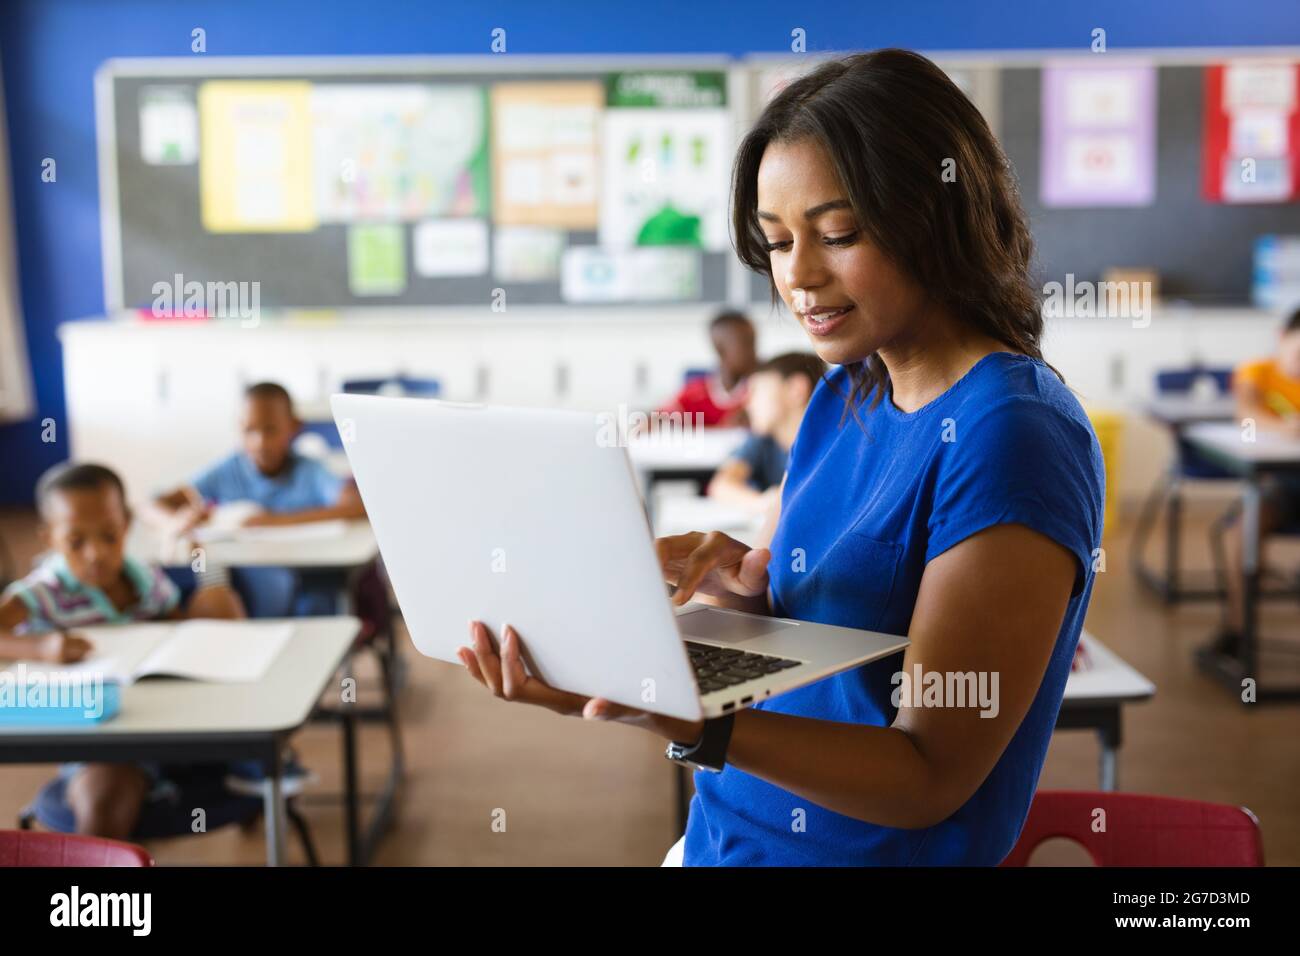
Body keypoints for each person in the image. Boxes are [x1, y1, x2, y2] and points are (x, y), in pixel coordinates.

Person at [455, 49, 1103, 866]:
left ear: (937, 215)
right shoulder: (848, 393)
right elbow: (827, 635)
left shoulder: (1013, 434)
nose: (797, 275)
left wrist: (687, 715)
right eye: (775, 241)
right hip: (725, 837)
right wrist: (733, 597)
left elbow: (929, 776)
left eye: (838, 234)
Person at [0, 463, 244, 838]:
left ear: (127, 526)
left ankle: (248, 755)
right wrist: (41, 646)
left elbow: (178, 629)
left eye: (109, 537)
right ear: (49, 538)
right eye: (76, 542)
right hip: (103, 740)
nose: (96, 553)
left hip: (174, 722)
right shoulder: (44, 591)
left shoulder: (144, 578)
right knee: (106, 797)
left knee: (216, 600)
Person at [150, 381, 365, 617]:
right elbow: (150, 504)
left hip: (308, 576)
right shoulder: (229, 469)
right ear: (238, 428)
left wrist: (273, 521)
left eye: (270, 430)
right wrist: (176, 521)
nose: (259, 442)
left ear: (294, 427)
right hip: (248, 580)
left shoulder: (309, 471)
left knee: (318, 603)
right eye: (249, 430)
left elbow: (357, 506)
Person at [1214, 307, 1300, 656]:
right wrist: (1287, 428)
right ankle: (1239, 630)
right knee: (1243, 532)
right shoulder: (1257, 372)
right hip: (1281, 487)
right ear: (1282, 339)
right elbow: (1245, 412)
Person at [708, 352, 825, 513]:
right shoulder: (763, 440)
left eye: (756, 391)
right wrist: (763, 503)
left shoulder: (832, 444)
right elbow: (721, 485)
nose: (747, 403)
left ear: (796, 389)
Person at [657, 310, 758, 427]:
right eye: (745, 344)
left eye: (753, 342)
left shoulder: (758, 392)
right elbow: (660, 417)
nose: (753, 351)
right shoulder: (695, 394)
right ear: (720, 350)